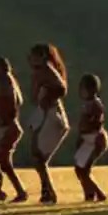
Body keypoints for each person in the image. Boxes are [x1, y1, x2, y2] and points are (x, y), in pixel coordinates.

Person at [28, 44, 70, 204]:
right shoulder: (40, 71)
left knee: (39, 157)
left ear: (42, 57)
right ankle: (46, 191)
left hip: (51, 114)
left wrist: (47, 98)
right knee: (37, 156)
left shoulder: (46, 69)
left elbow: (61, 88)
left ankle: (49, 192)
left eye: (33, 56)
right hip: (45, 112)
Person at [0, 58, 28, 202]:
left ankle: (19, 191)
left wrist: (3, 119)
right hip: (5, 126)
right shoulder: (6, 84)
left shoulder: (7, 84)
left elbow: (10, 105)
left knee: (2, 161)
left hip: (9, 127)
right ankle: (2, 190)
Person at [72, 73, 108, 202]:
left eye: (83, 89)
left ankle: (98, 193)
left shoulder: (95, 104)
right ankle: (89, 193)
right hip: (87, 140)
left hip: (94, 140)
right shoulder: (86, 104)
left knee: (83, 170)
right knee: (79, 169)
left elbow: (96, 122)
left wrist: (87, 127)